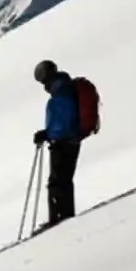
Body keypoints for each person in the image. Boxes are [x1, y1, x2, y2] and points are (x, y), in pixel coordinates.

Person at [33, 60, 81, 228]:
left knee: (57, 182)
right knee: (63, 181)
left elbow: (63, 122)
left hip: (64, 142)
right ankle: (64, 216)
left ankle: (59, 219)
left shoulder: (61, 91)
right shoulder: (62, 89)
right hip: (69, 140)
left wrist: (47, 134)